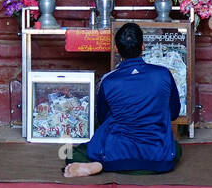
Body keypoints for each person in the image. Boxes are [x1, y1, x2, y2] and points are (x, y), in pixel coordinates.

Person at [63, 22, 182, 177]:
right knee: (176, 149)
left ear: (116, 50)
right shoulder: (163, 74)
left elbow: (103, 118)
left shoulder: (109, 81)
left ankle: (99, 165)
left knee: (73, 153)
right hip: (158, 158)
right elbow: (174, 113)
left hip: (116, 155)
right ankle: (134, 163)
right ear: (143, 46)